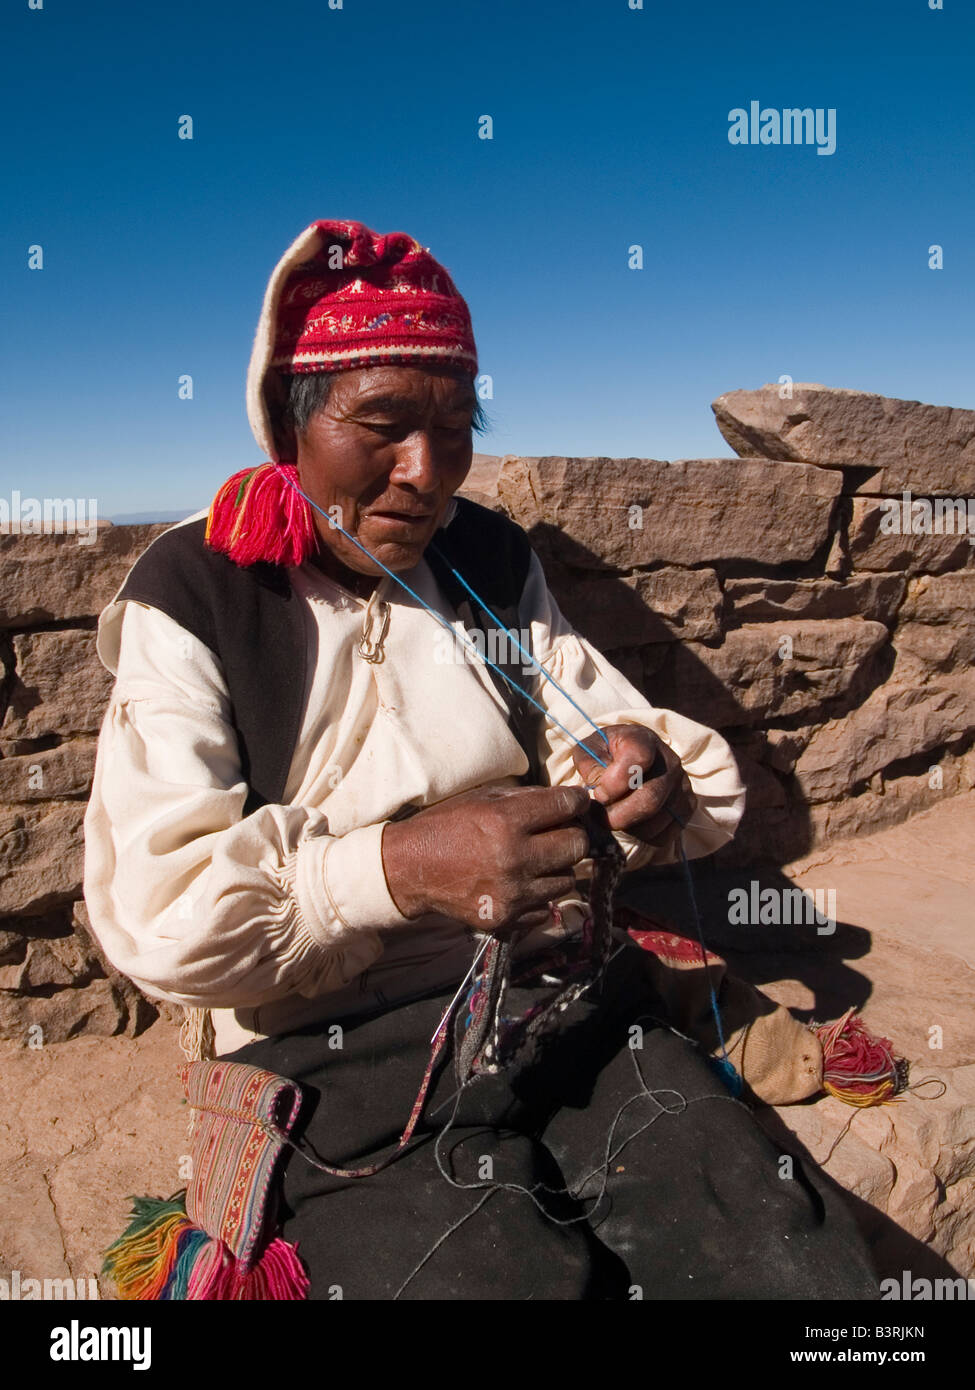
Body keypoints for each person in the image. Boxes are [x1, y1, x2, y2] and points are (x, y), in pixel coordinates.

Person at [83, 218, 879, 1300]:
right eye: (382, 425)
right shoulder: (196, 591)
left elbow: (600, 723)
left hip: (554, 994)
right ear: (289, 421)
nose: (426, 473)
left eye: (457, 427)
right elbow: (154, 907)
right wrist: (397, 868)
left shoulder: (488, 559)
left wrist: (644, 774)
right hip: (327, 1046)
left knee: (786, 1259)